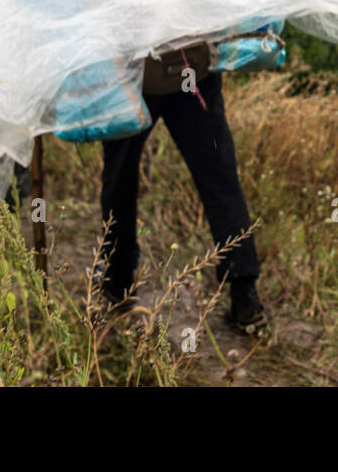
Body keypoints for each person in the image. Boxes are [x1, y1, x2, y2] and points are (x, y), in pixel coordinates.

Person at [93, 50, 266, 334]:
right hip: (192, 71)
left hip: (133, 79)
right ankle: (245, 296)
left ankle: (117, 284)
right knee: (220, 180)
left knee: (120, 180)